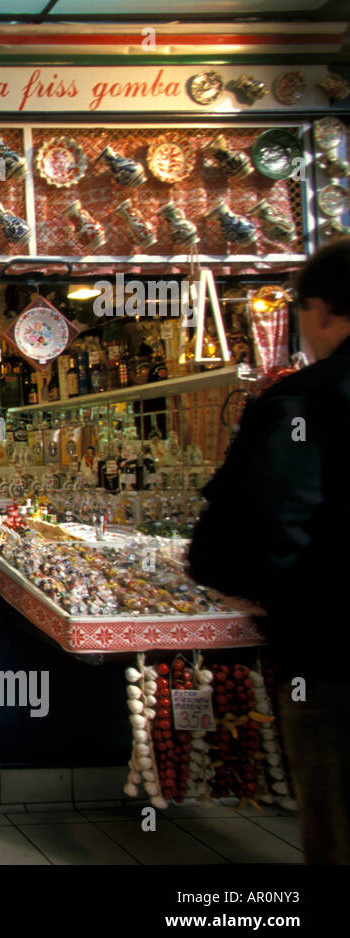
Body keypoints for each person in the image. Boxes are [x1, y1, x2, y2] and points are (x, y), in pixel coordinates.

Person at [187, 237, 350, 864]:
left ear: (322, 311)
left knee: (337, 825)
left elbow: (236, 539)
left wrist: (265, 591)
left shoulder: (302, 400)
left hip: (333, 659)